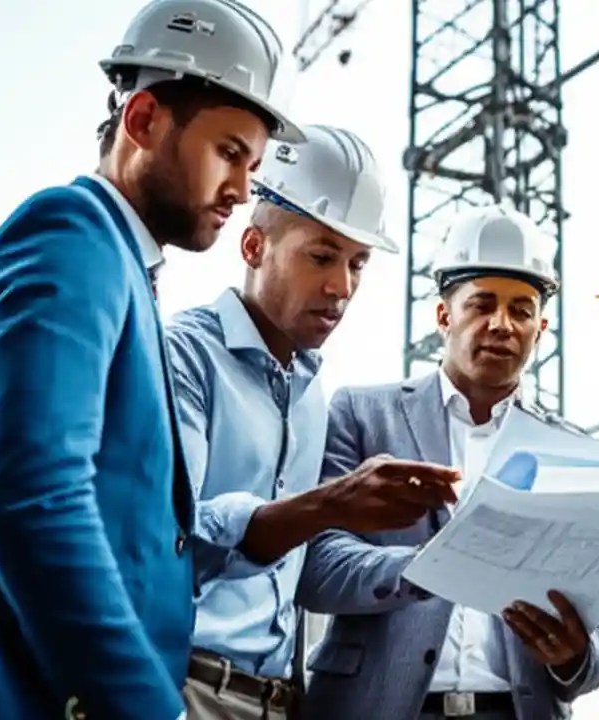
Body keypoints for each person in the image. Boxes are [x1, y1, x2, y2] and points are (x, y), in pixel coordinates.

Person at [0, 2, 301, 719]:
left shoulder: (121, 269)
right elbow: (32, 497)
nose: (242, 190)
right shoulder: (71, 238)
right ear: (142, 121)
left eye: (253, 166)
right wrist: (145, 706)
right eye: (229, 153)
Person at [165, 125, 460, 720]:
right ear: (253, 247)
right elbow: (174, 540)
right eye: (321, 256)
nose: (341, 287)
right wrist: (328, 505)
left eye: (358, 264)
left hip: (283, 700)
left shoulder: (308, 390)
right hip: (185, 688)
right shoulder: (184, 358)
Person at [297, 204, 599, 719]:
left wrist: (575, 655)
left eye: (521, 310)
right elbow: (316, 564)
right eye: (482, 304)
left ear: (542, 327)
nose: (501, 324)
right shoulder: (361, 414)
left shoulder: (571, 449)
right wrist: (435, 568)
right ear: (444, 315)